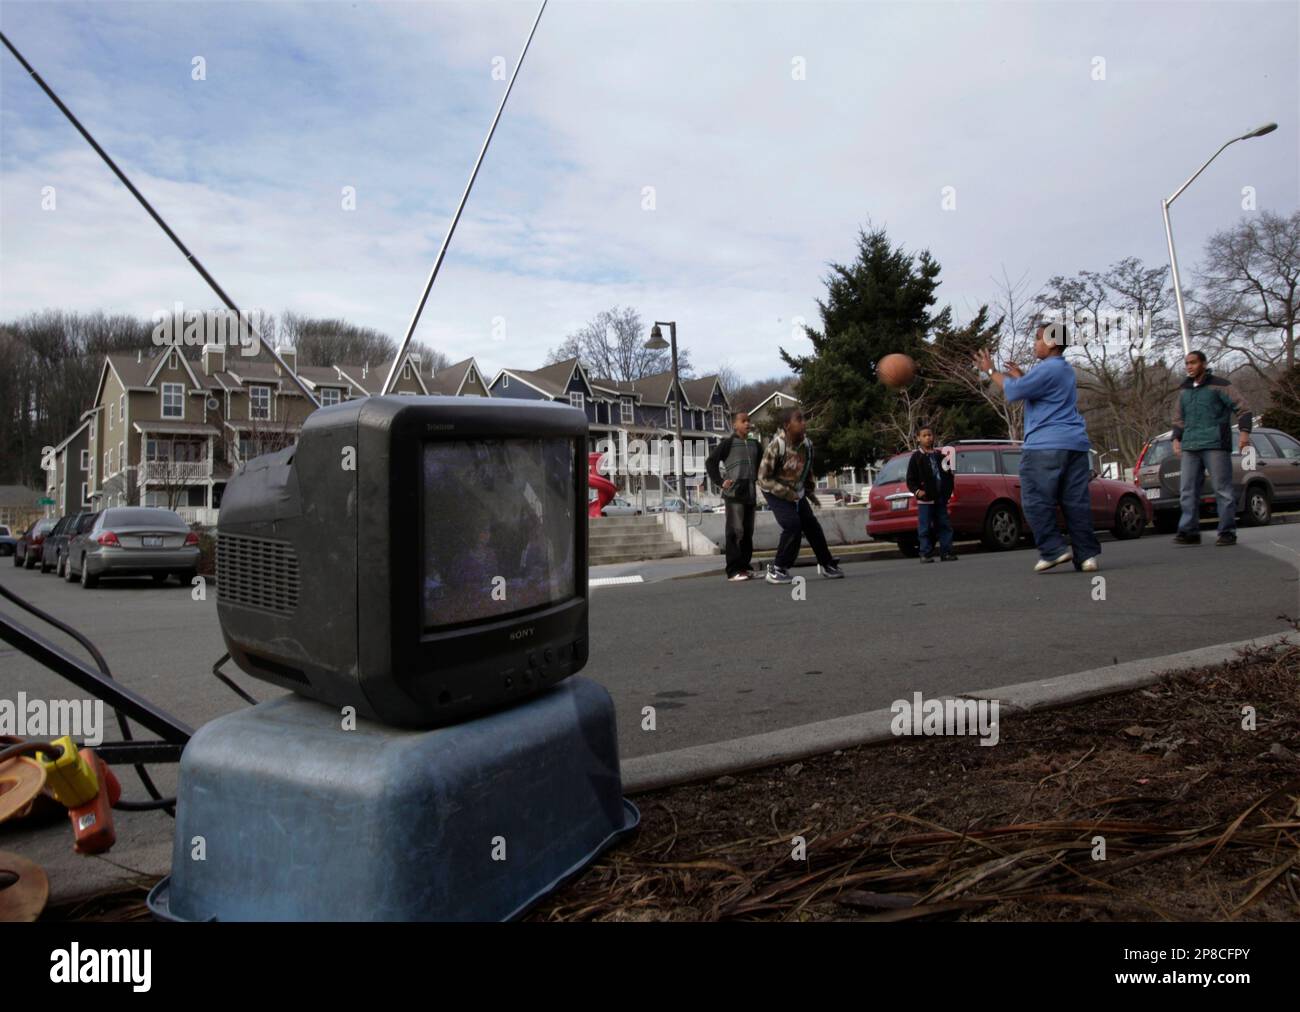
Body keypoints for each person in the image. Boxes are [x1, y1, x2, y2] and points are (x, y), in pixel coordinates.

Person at [975, 321, 1101, 573]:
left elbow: (1013, 391)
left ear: (1052, 342)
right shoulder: (1064, 370)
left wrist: (990, 371)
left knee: (1033, 499)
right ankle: (1086, 556)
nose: (1034, 343)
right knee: (1074, 502)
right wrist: (1023, 377)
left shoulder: (1049, 368)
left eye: (1038, 338)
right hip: (1074, 444)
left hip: (1045, 446)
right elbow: (1038, 392)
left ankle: (1053, 549)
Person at [1171, 350, 1252, 547]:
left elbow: (1243, 408)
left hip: (1215, 444)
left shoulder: (1220, 385)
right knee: (1187, 490)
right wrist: (1176, 439)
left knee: (1222, 489)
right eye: (1187, 363)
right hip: (1190, 445)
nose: (1189, 366)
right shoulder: (1185, 389)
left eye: (1193, 363)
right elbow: (1178, 417)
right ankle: (1189, 531)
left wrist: (1244, 434)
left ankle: (1227, 531)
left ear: (1204, 364)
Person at [756, 406, 843, 583]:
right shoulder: (776, 446)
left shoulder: (807, 445)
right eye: (799, 419)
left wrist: (810, 494)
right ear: (787, 425)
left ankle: (827, 564)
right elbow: (763, 479)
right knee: (792, 525)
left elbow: (806, 471)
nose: (804, 423)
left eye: (804, 419)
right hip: (775, 491)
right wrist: (787, 493)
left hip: (796, 491)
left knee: (812, 526)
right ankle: (777, 569)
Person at [705, 411, 762, 581]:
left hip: (751, 494)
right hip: (734, 494)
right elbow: (711, 462)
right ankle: (733, 571)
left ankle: (745, 567)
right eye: (743, 421)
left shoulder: (755, 444)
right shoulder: (728, 444)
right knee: (735, 532)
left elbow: (763, 464)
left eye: (749, 421)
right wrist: (721, 481)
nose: (747, 424)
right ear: (735, 425)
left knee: (747, 532)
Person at [906, 424, 957, 563]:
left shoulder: (940, 456)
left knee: (944, 525)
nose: (928, 438)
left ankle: (946, 552)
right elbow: (910, 479)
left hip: (940, 498)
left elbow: (948, 477)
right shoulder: (916, 458)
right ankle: (925, 553)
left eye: (930, 435)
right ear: (918, 439)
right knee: (925, 527)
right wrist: (918, 491)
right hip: (926, 499)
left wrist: (947, 493)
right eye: (924, 435)